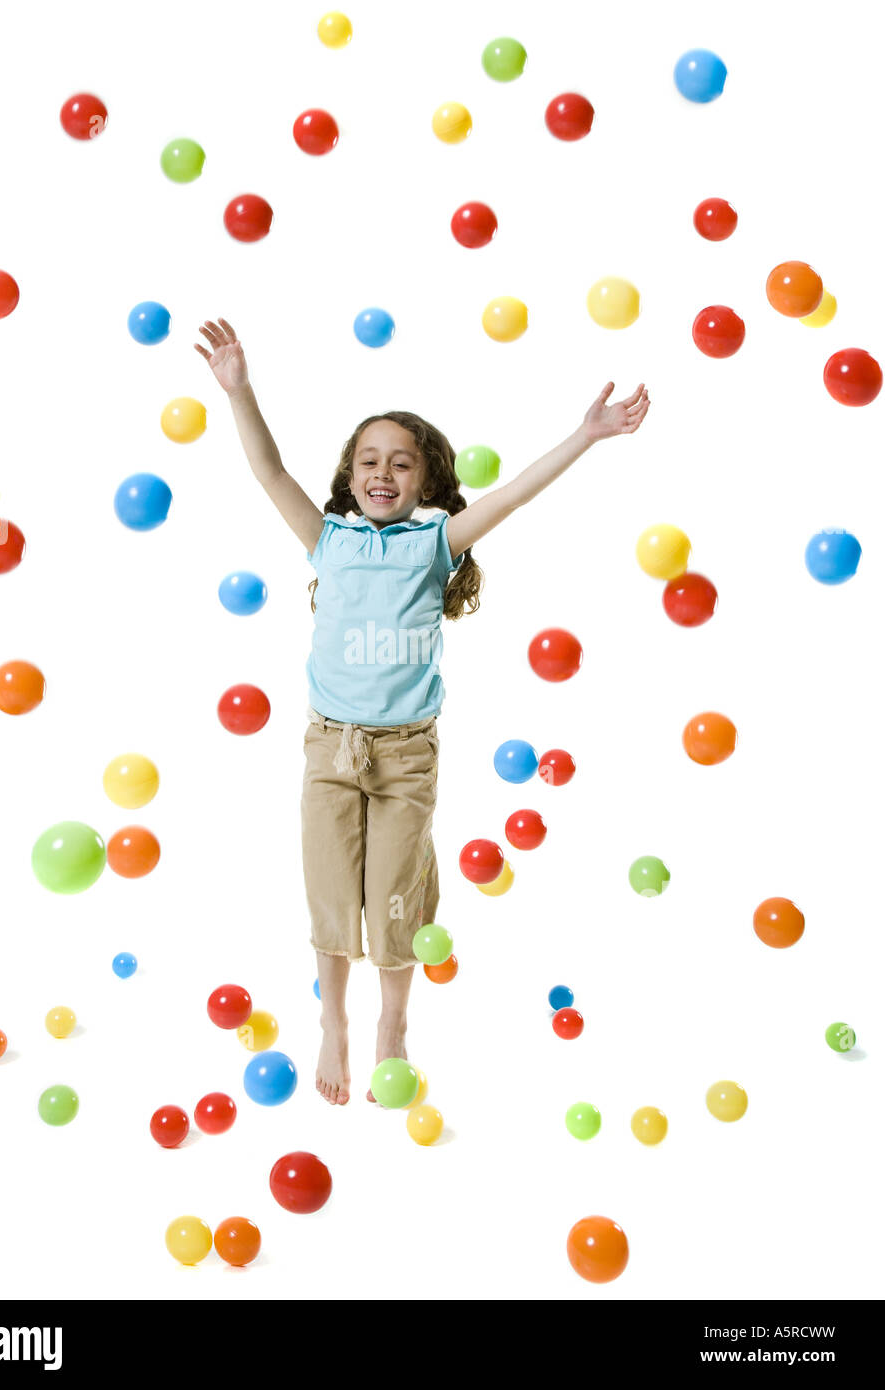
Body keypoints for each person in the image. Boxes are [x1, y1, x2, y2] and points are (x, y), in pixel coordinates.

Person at [195, 316, 650, 1105]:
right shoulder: (328, 539)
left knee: (396, 897)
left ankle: (393, 1024)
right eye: (368, 461)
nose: (382, 473)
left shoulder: (435, 543)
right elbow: (270, 475)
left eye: (400, 464)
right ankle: (334, 1018)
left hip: (405, 757)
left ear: (426, 483)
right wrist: (241, 392)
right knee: (333, 891)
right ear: (349, 475)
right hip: (329, 751)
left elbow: (513, 494)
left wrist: (588, 434)